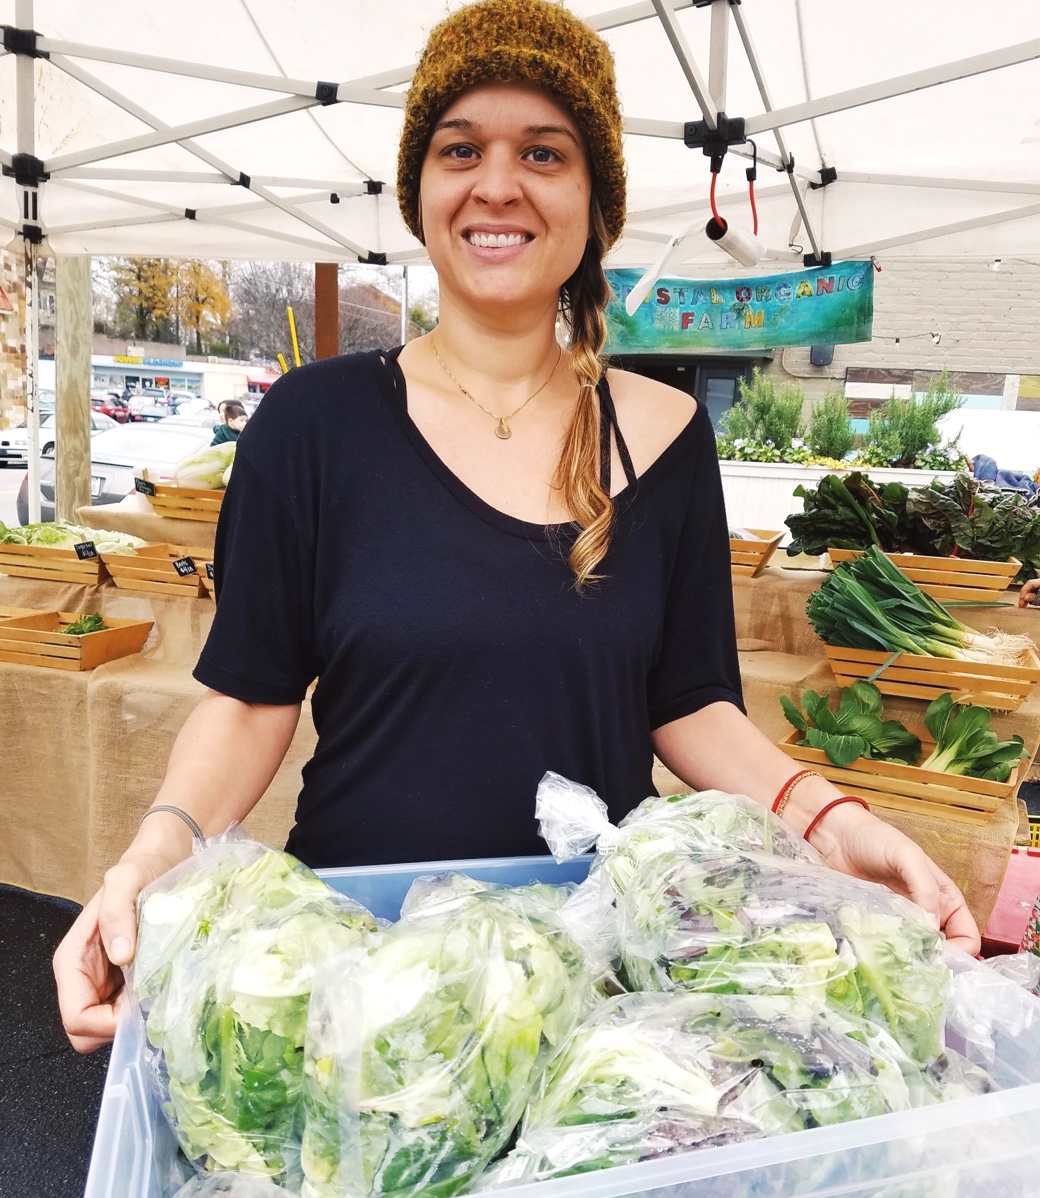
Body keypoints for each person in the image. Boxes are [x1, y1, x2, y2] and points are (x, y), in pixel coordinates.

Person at [54, 0, 978, 1054]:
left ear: (593, 200)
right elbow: (249, 700)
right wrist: (145, 862)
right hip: (360, 971)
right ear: (420, 190)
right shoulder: (314, 425)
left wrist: (835, 821)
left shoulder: (662, 438)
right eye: (461, 149)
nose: (497, 184)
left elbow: (690, 707)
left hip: (591, 983)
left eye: (542, 151)